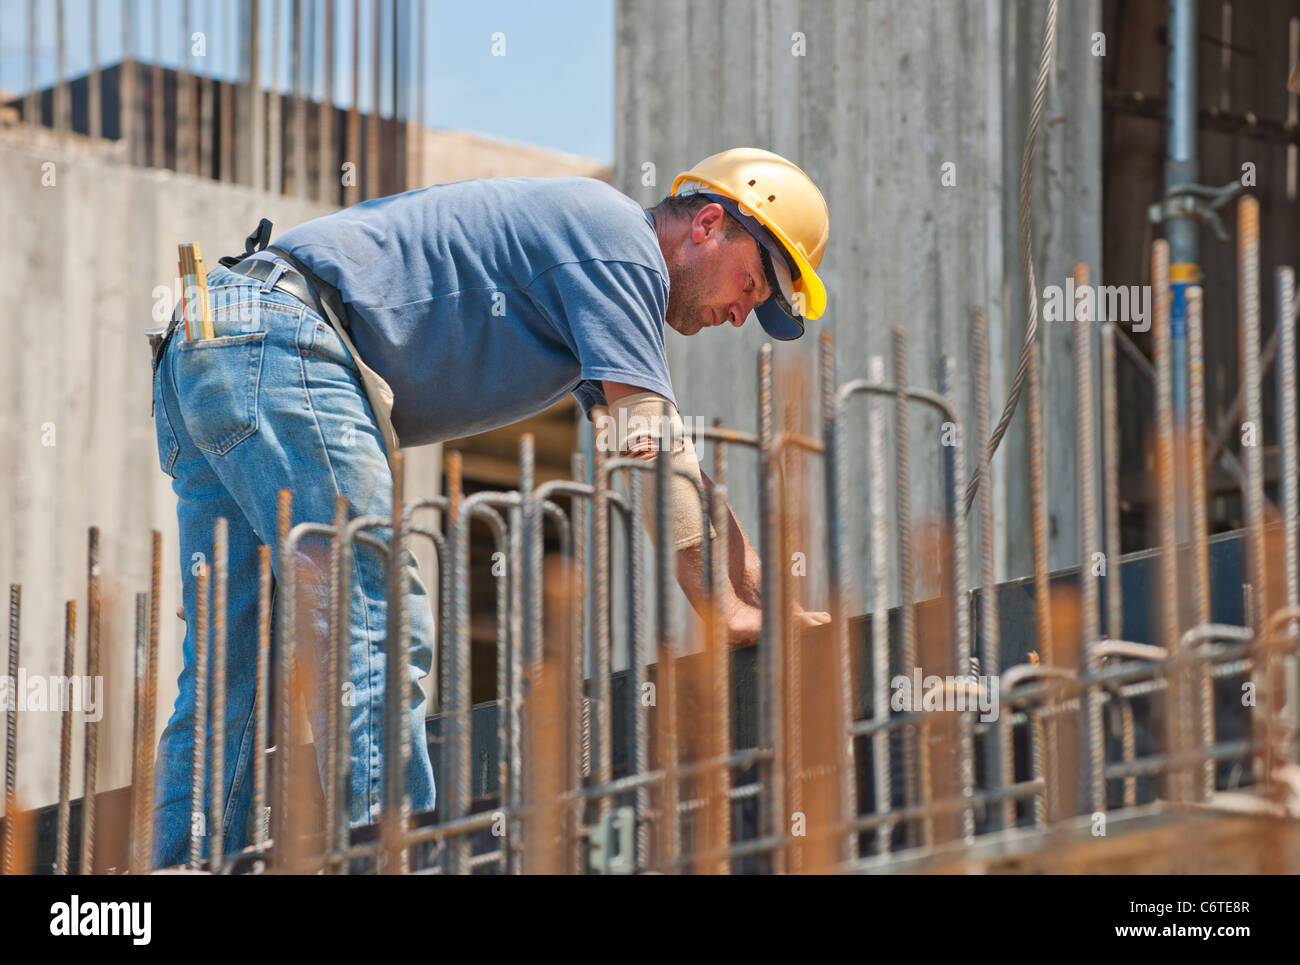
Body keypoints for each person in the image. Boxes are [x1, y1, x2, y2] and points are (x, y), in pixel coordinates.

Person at [148, 146, 832, 868]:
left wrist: (763, 600)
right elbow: (649, 444)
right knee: (374, 614)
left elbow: (666, 459)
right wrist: (723, 609)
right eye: (751, 283)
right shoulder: (620, 244)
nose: (739, 312)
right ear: (710, 224)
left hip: (213, 334)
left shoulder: (592, 270)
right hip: (281, 341)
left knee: (231, 670)